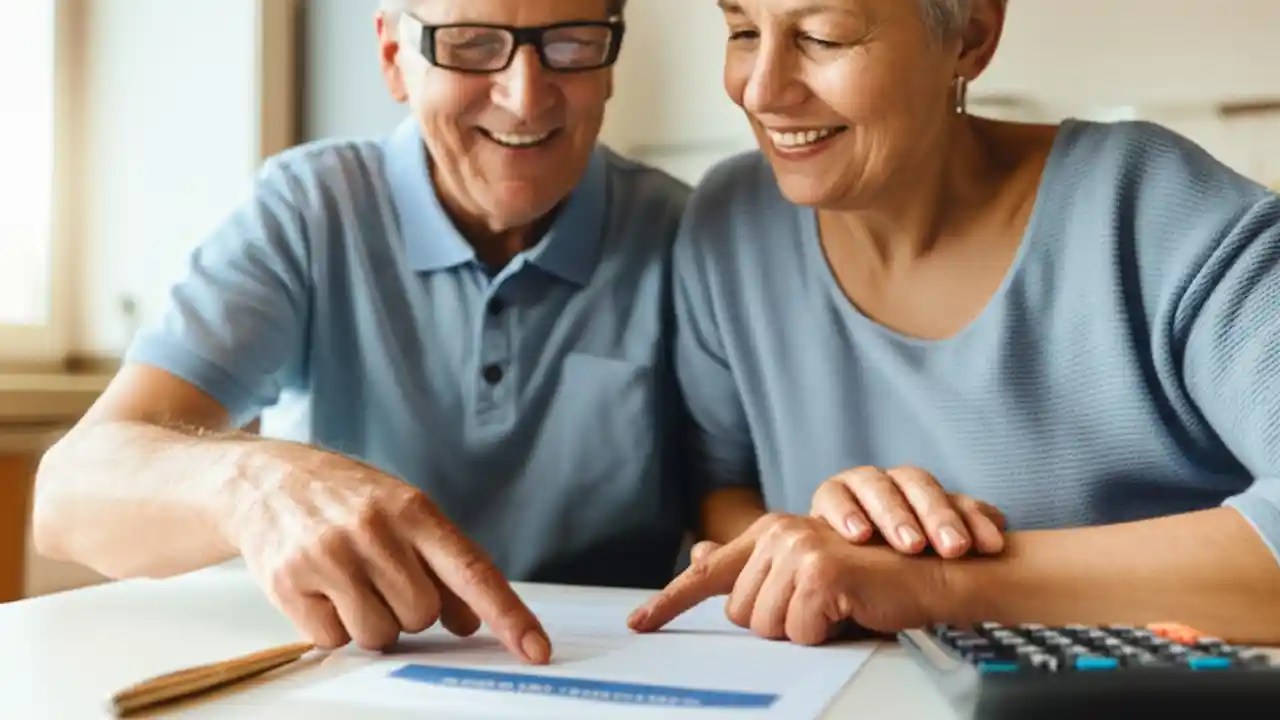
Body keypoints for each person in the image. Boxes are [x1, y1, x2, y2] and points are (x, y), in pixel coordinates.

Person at [32, 0, 697, 663]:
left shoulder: (689, 232)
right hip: (343, 667)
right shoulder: (308, 208)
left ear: (611, 60)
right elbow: (66, 499)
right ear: (393, 59)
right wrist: (255, 483)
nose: (524, 97)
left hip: (606, 670)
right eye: (469, 44)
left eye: (573, 43)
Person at [629, 0, 1280, 645]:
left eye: (823, 37)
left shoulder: (1154, 209)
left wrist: (938, 584)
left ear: (971, 36)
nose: (761, 88)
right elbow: (722, 487)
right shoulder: (728, 224)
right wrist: (813, 552)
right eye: (743, 31)